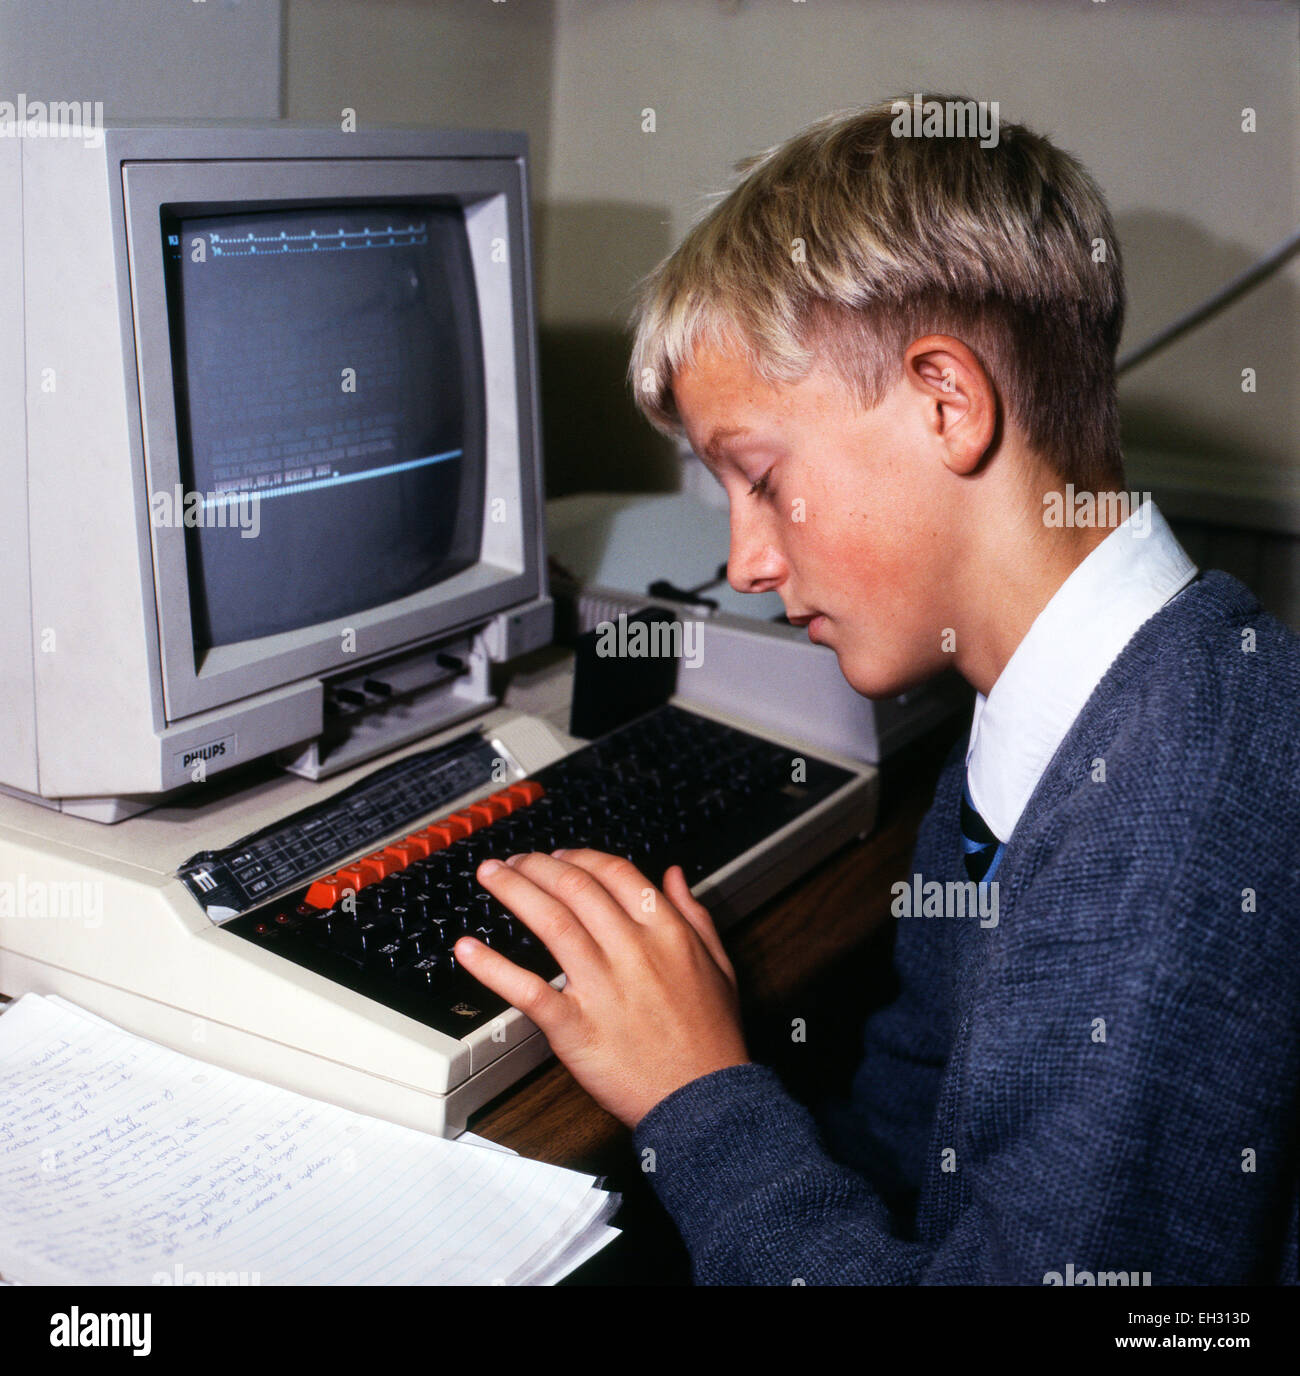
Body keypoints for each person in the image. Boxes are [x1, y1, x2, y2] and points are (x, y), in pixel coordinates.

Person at [455, 96, 1300, 1285]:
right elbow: (914, 1130)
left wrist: (698, 1094)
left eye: (759, 477)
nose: (746, 560)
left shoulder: (1175, 810)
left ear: (946, 402)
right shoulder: (1034, 718)